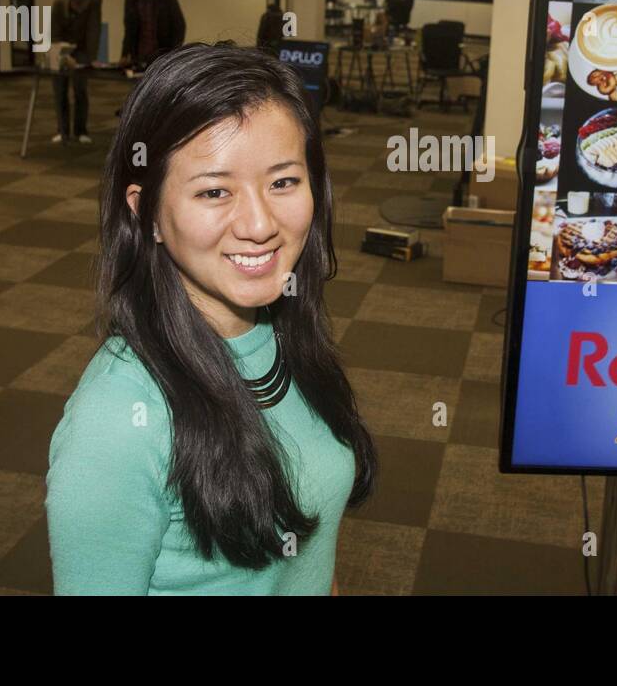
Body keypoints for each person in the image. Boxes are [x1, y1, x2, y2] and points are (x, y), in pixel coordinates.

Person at [46, 44, 377, 595]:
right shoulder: (116, 424)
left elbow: (309, 559)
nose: (259, 223)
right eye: (215, 191)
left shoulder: (283, 332)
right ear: (145, 209)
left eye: (283, 182)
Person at [49, 0, 101, 145]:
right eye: (77, 7)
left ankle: (81, 131)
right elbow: (55, 34)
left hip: (82, 48)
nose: (80, 11)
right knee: (60, 89)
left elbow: (93, 29)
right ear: (70, 1)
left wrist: (91, 58)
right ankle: (62, 131)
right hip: (61, 45)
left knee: (80, 89)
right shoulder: (58, 2)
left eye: (83, 8)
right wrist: (64, 56)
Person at [118, 0, 186, 70]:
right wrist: (124, 54)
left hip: (162, 54)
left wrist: (173, 54)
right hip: (140, 57)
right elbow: (129, 27)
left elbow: (179, 24)